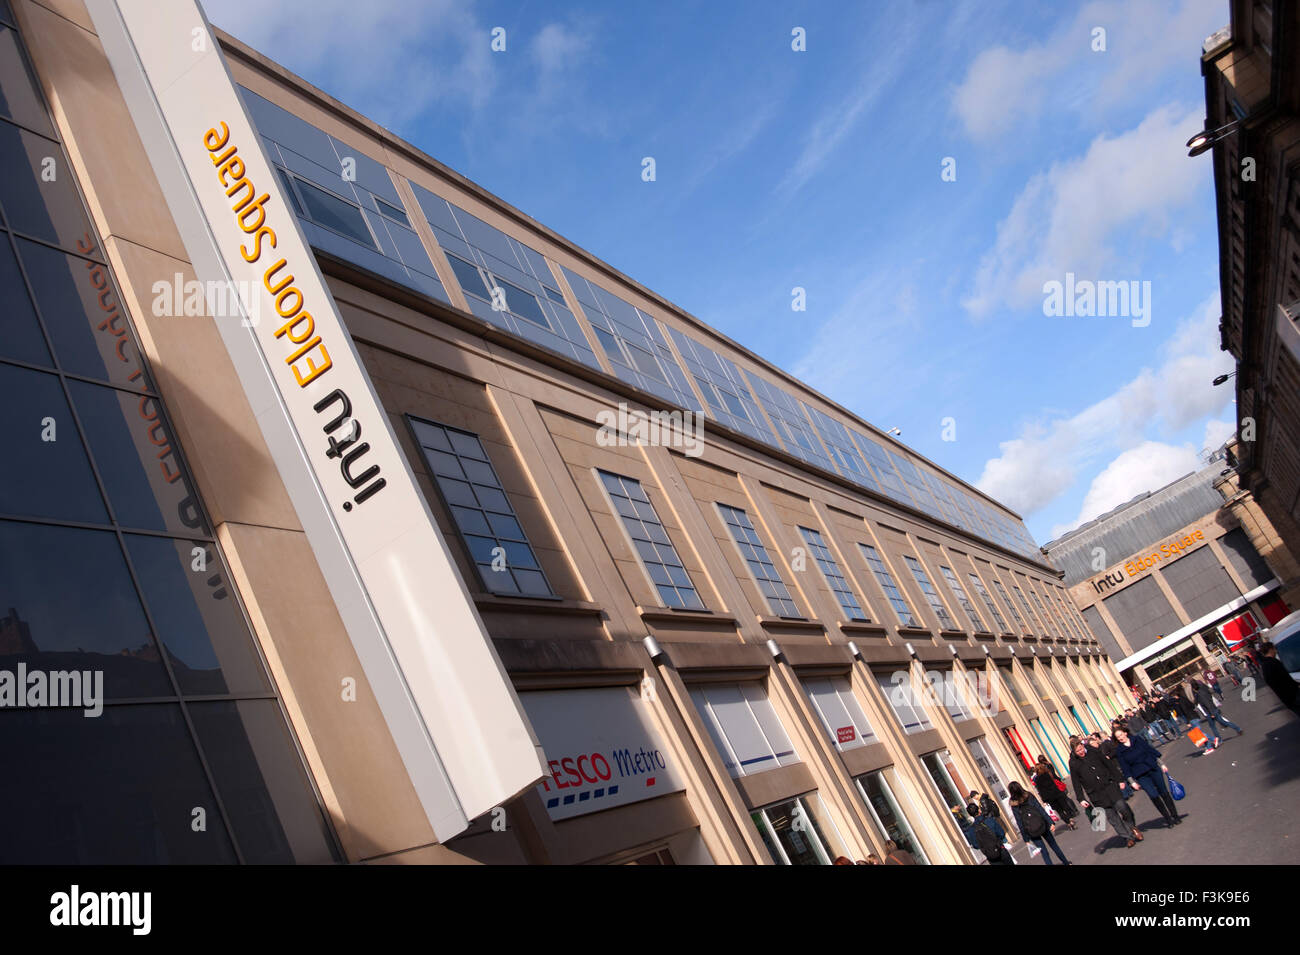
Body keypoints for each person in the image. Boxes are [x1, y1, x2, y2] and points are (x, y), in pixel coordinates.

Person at [1068, 734, 1142, 848]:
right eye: (1078, 751)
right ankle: (1127, 837)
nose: (1081, 752)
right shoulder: (1073, 762)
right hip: (1096, 794)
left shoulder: (1094, 751)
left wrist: (1120, 780)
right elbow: (1076, 781)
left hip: (1109, 785)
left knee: (1123, 807)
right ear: (1073, 751)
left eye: (1081, 749)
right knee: (1112, 817)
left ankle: (1132, 827)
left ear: (1083, 745)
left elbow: (1109, 765)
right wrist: (1081, 798)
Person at [1112, 726, 1180, 827]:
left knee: (1164, 792)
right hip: (1140, 775)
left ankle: (1175, 815)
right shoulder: (1119, 750)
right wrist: (1132, 782)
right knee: (1153, 795)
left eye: (1121, 735)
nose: (1120, 738)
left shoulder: (1137, 740)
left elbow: (1150, 750)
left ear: (1125, 733)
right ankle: (1168, 818)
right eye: (1118, 737)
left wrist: (1161, 764)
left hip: (1152, 768)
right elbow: (1124, 767)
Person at [1008, 781, 1070, 865]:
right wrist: (1050, 822)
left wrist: (1026, 839)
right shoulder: (1028, 796)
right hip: (1042, 824)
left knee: (1044, 852)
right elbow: (1040, 809)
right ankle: (1066, 863)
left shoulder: (1013, 804)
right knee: (1054, 846)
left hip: (1031, 831)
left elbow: (1020, 822)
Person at [1192, 674, 1243, 748]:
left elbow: (1206, 703)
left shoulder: (1199, 694)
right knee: (1222, 722)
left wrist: (1211, 713)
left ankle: (1219, 740)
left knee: (1213, 727)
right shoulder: (1203, 689)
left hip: (1210, 712)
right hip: (1213, 709)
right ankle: (1237, 728)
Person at [1030, 757, 1077, 830]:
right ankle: (1070, 818)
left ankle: (1068, 822)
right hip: (1057, 794)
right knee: (1065, 807)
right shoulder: (1048, 774)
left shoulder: (1037, 780)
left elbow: (1040, 791)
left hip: (1050, 798)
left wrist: (1044, 800)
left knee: (1060, 811)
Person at [1260, 642, 1300, 717]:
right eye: (1274, 649)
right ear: (1270, 649)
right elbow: (1286, 679)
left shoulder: (1264, 666)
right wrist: (1297, 685)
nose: (1276, 651)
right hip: (1294, 695)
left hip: (1286, 699)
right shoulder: (1274, 662)